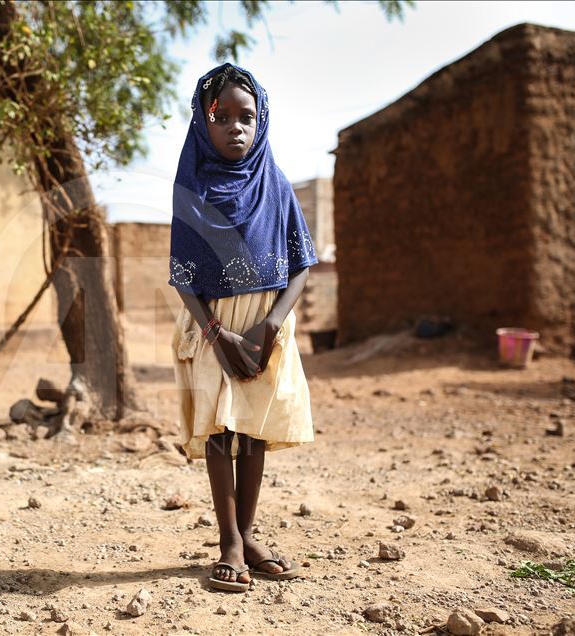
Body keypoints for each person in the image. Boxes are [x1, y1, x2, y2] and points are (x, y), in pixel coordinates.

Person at [167, 63, 318, 593]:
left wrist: (269, 329)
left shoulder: (274, 183)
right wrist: (217, 334)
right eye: (221, 116)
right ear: (201, 122)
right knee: (219, 429)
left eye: (247, 117)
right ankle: (228, 539)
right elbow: (183, 274)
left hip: (265, 328)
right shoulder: (192, 185)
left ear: (262, 121)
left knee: (252, 428)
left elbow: (301, 262)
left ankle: (249, 534)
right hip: (212, 328)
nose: (236, 127)